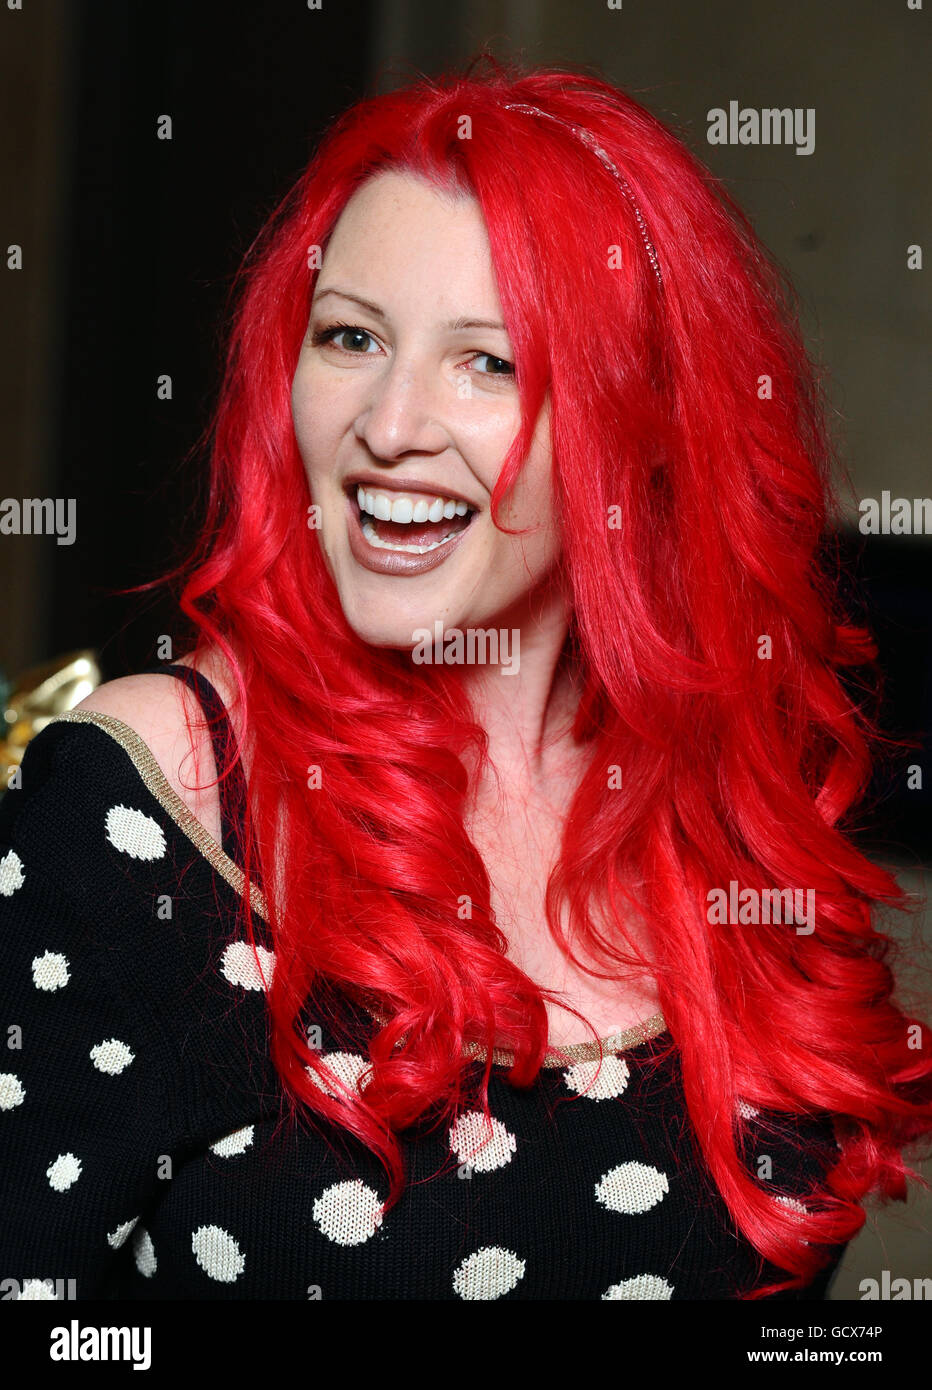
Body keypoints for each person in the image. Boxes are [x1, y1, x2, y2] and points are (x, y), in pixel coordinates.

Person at [1, 57, 929, 1302]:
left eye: (486, 362)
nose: (388, 423)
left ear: (642, 427)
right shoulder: (152, 791)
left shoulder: (724, 816)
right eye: (350, 338)